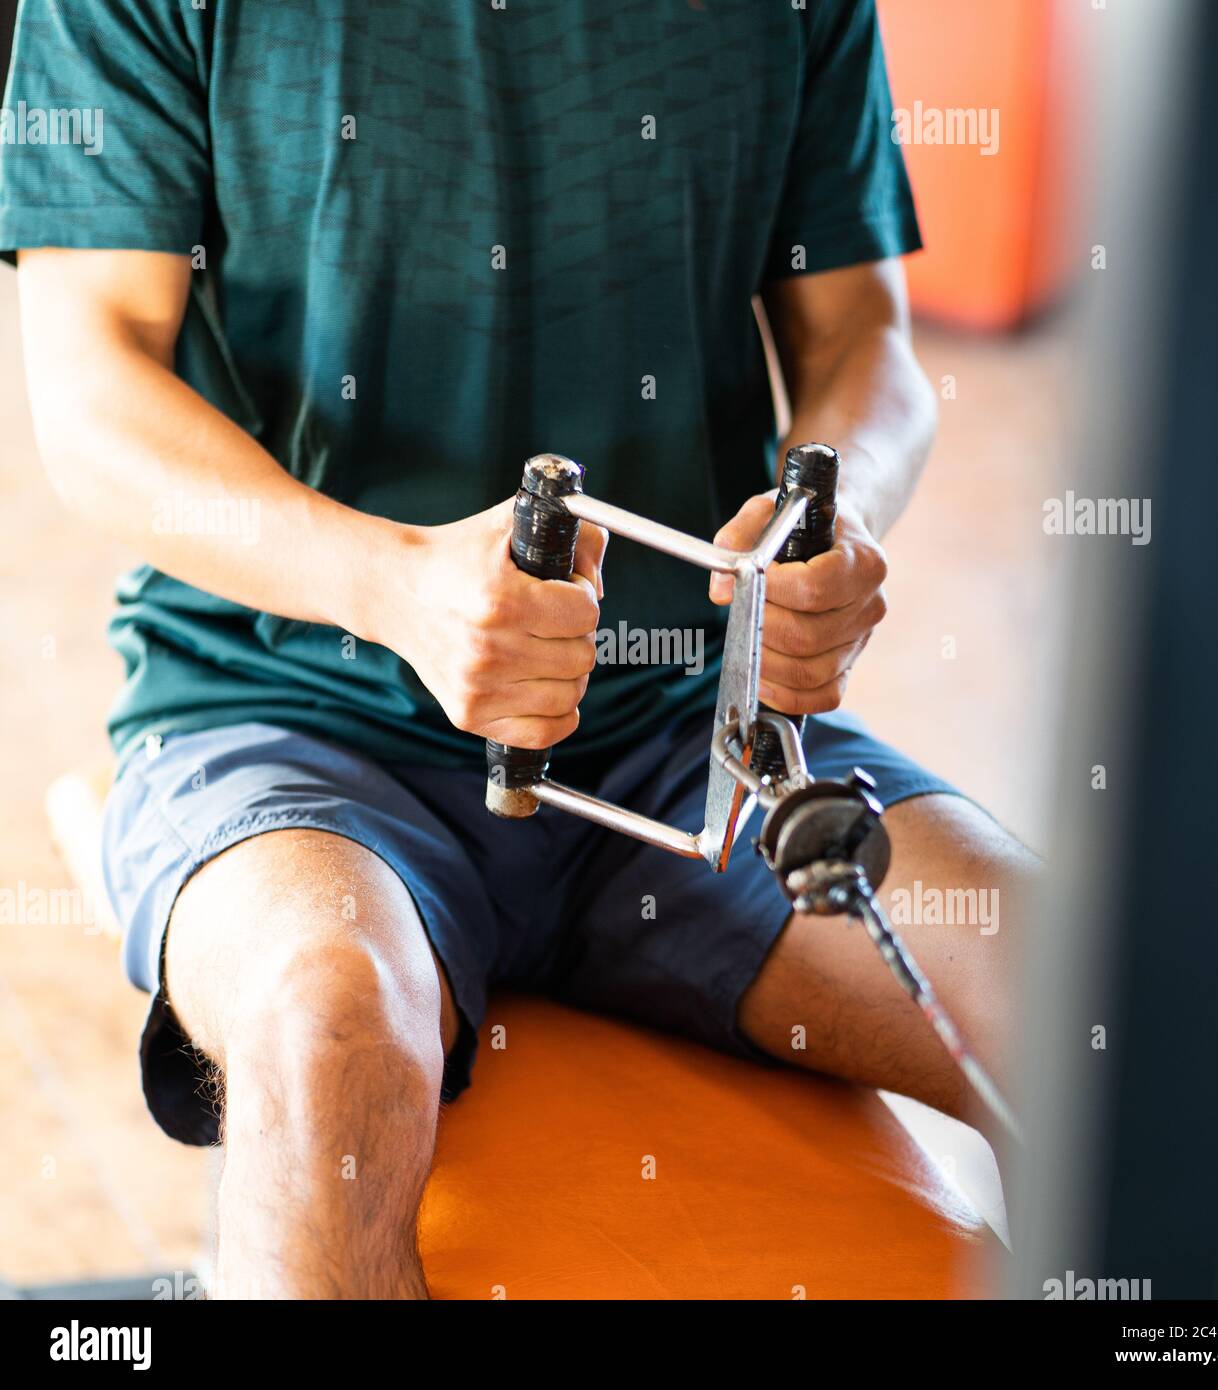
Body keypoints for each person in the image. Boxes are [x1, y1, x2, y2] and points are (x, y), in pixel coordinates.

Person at [2, 1, 1035, 1297]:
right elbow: (91, 386)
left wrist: (838, 518)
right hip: (292, 714)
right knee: (328, 1041)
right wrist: (394, 585)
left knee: (1096, 1008)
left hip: (683, 735)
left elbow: (865, 343)